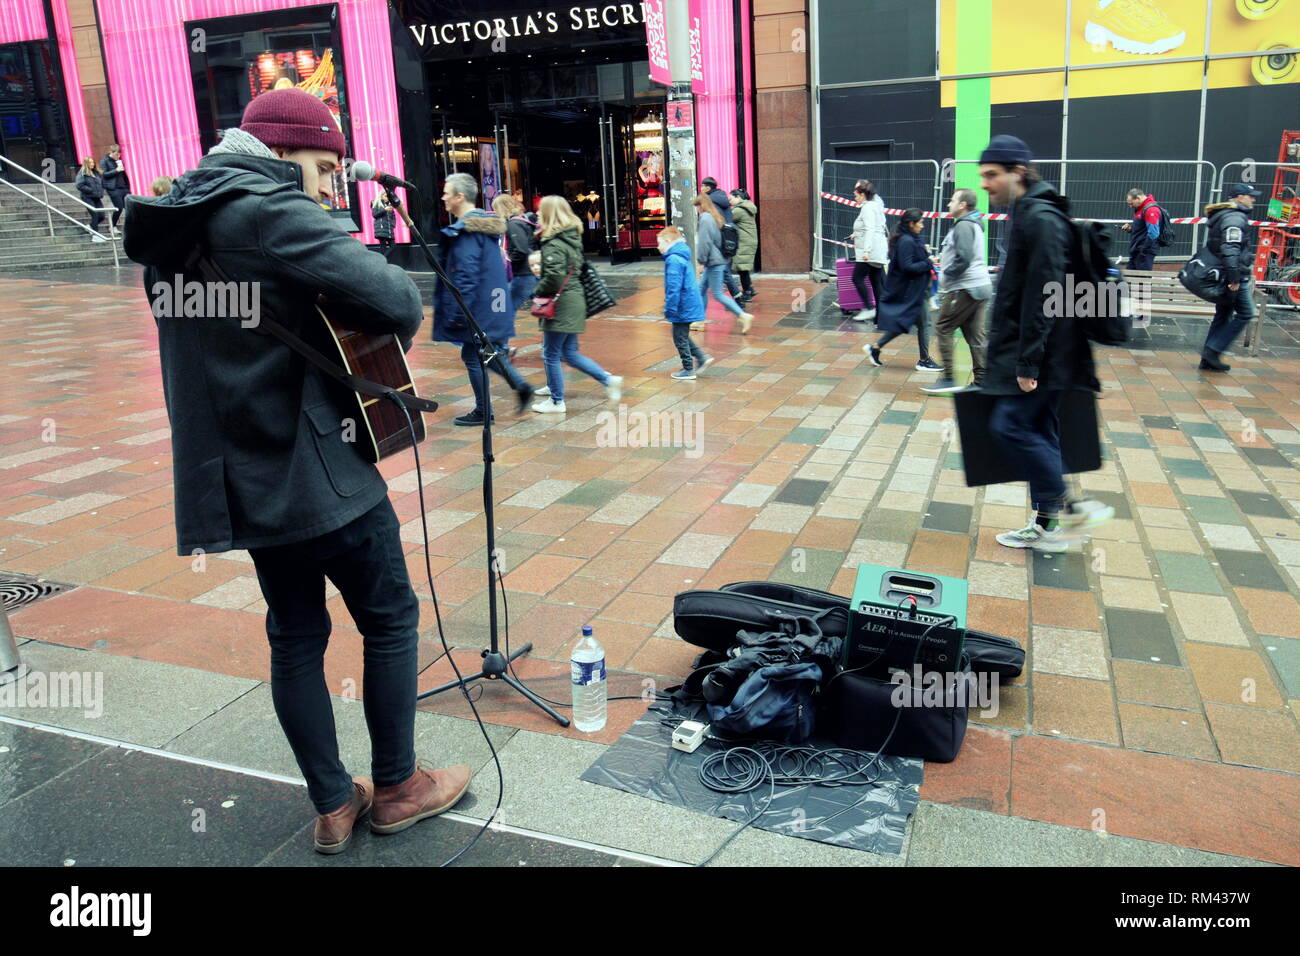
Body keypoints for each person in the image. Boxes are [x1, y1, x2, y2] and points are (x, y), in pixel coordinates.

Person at [123, 87, 471, 854]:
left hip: (241, 480)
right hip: (321, 475)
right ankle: (400, 785)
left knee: (294, 636)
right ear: (280, 154)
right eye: (320, 167)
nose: (327, 186)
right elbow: (394, 300)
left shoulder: (176, 225)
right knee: (389, 618)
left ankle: (330, 801)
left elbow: (227, 341)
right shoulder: (268, 210)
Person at [975, 134, 1113, 551]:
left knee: (1011, 425)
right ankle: (1050, 524)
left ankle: (1074, 511)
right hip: (1048, 351)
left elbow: (1047, 293)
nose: (985, 184)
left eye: (992, 175)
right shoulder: (1030, 211)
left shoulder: (1040, 218)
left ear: (1018, 172)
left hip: (1049, 353)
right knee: (1038, 428)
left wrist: (1028, 363)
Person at [432, 172, 534, 424]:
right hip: (492, 305)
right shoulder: (483, 226)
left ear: (459, 197)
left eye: (447, 192)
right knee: (484, 353)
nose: (443, 197)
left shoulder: (467, 231)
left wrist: (457, 315)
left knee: (475, 355)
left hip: (478, 309)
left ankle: (484, 411)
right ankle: (518, 387)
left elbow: (465, 277)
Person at [530, 194, 622, 413]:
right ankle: (608, 380)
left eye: (540, 211)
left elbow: (553, 278)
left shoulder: (553, 243)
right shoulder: (571, 238)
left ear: (549, 214)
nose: (536, 214)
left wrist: (536, 292)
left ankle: (556, 400)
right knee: (569, 352)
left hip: (561, 304)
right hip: (573, 300)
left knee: (550, 353)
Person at [922, 188, 991, 393]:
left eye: (952, 200)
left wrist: (948, 274)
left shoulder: (963, 225)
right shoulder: (973, 224)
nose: (948, 204)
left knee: (943, 326)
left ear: (962, 205)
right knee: (975, 334)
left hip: (964, 288)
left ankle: (949, 378)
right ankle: (982, 381)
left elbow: (964, 257)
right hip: (979, 287)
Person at [864, 209, 940, 370]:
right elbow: (908, 267)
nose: (922, 225)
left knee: (907, 323)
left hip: (916, 290)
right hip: (913, 291)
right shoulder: (906, 241)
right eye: (920, 222)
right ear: (911, 224)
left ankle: (875, 348)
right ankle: (924, 360)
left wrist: (924, 254)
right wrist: (929, 261)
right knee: (924, 324)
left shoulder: (910, 239)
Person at [1198, 183, 1259, 372]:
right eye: (1250, 196)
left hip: (1225, 273)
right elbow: (1230, 249)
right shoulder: (1235, 218)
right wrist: (1234, 278)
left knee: (1223, 314)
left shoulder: (1227, 215)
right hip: (1232, 275)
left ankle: (1208, 359)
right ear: (1240, 197)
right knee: (1246, 313)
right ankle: (1213, 350)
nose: (1253, 199)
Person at [694, 193, 754, 334]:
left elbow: (705, 243)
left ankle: (743, 315)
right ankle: (699, 320)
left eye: (697, 206)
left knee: (717, 294)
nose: (696, 209)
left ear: (701, 206)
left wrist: (701, 261)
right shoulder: (714, 217)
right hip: (716, 260)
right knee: (700, 289)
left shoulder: (705, 218)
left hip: (713, 262)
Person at [658, 225, 712, 380]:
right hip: (687, 303)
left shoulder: (673, 259)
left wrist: (670, 308)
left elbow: (674, 287)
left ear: (668, 241)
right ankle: (701, 357)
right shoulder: (679, 255)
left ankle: (688, 369)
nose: (658, 246)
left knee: (679, 337)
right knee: (682, 335)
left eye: (660, 242)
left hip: (682, 305)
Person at [843, 179, 887, 320]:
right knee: (876, 281)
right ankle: (881, 316)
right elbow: (872, 227)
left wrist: (866, 251)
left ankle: (869, 308)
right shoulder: (876, 205)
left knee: (857, 278)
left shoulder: (867, 208)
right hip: (876, 249)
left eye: (856, 195)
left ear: (862, 194)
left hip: (870, 252)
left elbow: (870, 229)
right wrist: (856, 234)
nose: (854, 198)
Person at [493, 193, 538, 314]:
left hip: (523, 273)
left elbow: (521, 249)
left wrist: (508, 260)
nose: (495, 212)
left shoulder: (513, 224)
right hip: (527, 272)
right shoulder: (520, 221)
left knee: (505, 310)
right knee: (542, 303)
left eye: (496, 209)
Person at [701, 176, 742, 298]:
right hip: (728, 237)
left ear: (708, 187)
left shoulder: (711, 201)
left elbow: (715, 221)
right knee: (720, 268)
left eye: (703, 186)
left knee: (723, 269)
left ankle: (736, 296)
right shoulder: (721, 197)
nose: (701, 188)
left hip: (719, 239)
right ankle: (734, 294)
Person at [1120, 188, 1162, 271]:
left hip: (1143, 252)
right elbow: (1142, 229)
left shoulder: (1151, 210)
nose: (1130, 206)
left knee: (1142, 280)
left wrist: (1143, 250)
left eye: (1131, 203)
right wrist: (1130, 228)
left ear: (1138, 198)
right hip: (1137, 250)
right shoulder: (1140, 209)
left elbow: (1153, 234)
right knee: (1130, 277)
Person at [729, 189, 758, 303]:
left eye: (731, 199)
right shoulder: (748, 207)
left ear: (738, 197)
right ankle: (750, 288)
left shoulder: (739, 211)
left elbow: (725, 219)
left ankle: (747, 293)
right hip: (748, 241)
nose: (729, 201)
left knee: (742, 268)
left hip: (744, 242)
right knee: (743, 268)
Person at [74, 158, 107, 242]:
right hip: (87, 197)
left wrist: (101, 191)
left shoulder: (96, 173)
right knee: (95, 214)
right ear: (86, 164)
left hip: (96, 197)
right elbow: (79, 185)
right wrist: (90, 190)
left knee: (102, 216)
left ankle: (90, 227)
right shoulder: (82, 173)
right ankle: (95, 235)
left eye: (93, 162)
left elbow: (101, 183)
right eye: (90, 162)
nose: (92, 164)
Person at [100, 144, 130, 236]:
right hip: (113, 188)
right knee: (119, 207)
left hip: (123, 187)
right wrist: (116, 170)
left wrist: (128, 187)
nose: (118, 156)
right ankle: (112, 226)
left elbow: (123, 174)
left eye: (119, 154)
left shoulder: (120, 161)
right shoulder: (104, 161)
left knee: (129, 207)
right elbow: (104, 174)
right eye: (117, 154)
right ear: (111, 152)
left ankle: (132, 226)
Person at [371, 191, 395, 257]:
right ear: (381, 196)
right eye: (385, 196)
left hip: (389, 229)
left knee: (393, 246)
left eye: (388, 196)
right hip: (381, 228)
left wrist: (393, 225)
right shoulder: (376, 204)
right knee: (383, 246)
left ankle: (383, 259)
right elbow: (374, 215)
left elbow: (393, 216)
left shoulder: (389, 205)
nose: (387, 198)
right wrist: (385, 210)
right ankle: (383, 260)